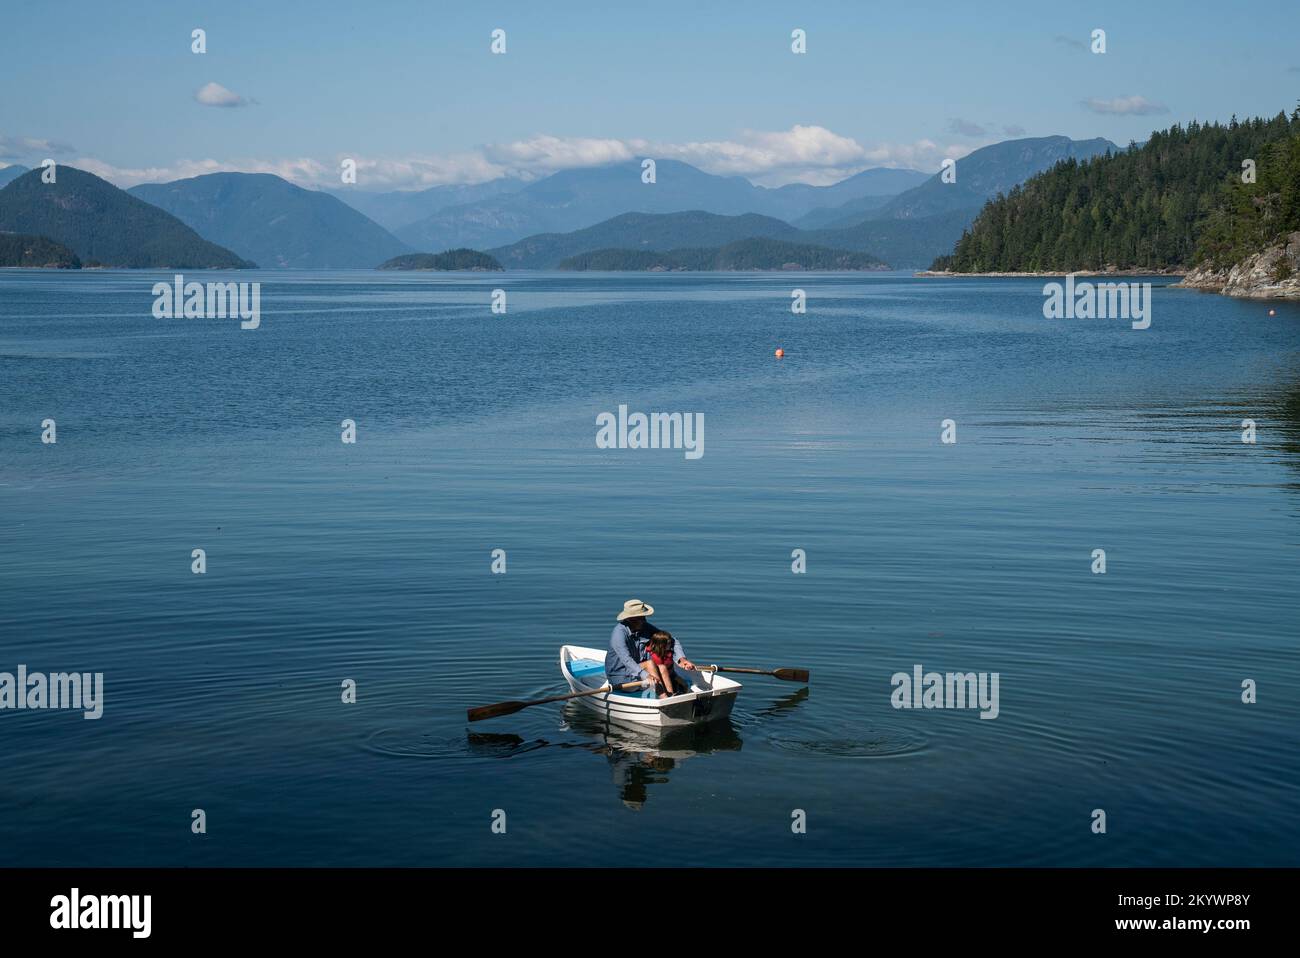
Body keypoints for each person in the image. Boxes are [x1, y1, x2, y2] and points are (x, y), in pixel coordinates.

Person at [606, 599, 696, 696]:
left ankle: (670, 697)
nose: (644, 621)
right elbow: (627, 660)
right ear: (630, 619)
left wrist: (681, 659)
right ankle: (664, 698)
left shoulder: (644, 627)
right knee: (650, 664)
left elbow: (672, 640)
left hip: (640, 673)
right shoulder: (619, 634)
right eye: (640, 618)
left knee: (662, 667)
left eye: (644, 617)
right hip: (621, 678)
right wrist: (646, 675)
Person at [645, 630, 680, 698]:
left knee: (684, 685)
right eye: (668, 643)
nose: (671, 644)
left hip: (671, 675)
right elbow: (659, 672)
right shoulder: (655, 657)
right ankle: (669, 695)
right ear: (661, 645)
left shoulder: (668, 652)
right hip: (661, 679)